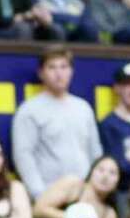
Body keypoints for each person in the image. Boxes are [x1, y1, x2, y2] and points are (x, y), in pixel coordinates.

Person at [11, 46, 101, 200]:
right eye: (52, 67)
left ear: (71, 71)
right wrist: (39, 195)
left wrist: (95, 190)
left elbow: (95, 152)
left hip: (85, 194)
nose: (59, 73)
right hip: (49, 196)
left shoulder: (83, 107)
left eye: (64, 67)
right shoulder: (29, 110)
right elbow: (23, 156)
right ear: (41, 73)